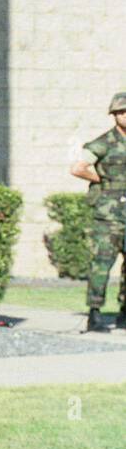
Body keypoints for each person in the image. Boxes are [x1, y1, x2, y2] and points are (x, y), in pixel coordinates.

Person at [71, 91, 126, 332]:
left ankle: (125, 313)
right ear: (114, 115)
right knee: (102, 264)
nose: (125, 116)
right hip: (108, 216)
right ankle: (94, 313)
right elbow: (78, 167)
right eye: (121, 112)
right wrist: (101, 179)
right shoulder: (103, 142)